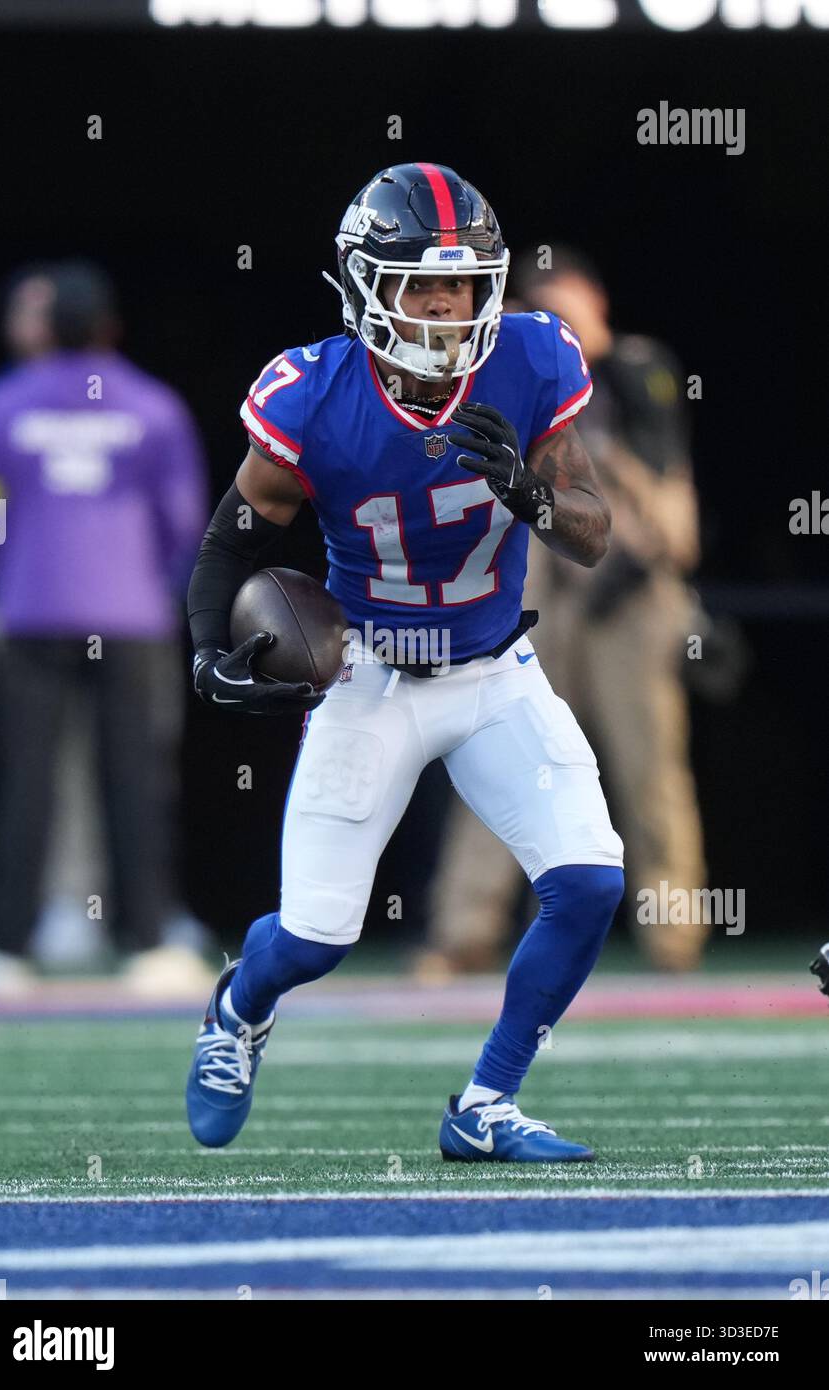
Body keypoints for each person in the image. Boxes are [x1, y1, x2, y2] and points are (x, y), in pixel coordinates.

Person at [185, 164, 624, 1163]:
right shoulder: (312, 393)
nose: (443, 305)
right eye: (420, 285)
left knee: (589, 881)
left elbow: (593, 536)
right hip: (369, 678)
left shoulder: (530, 361)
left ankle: (484, 1103)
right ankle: (238, 1003)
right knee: (313, 939)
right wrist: (210, 650)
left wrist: (532, 493)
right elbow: (229, 546)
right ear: (362, 286)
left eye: (461, 284)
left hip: (492, 668)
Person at [419, 248, 707, 974]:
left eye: (563, 304)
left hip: (632, 585)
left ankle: (672, 935)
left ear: (595, 299)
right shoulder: (522, 368)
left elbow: (664, 488)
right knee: (501, 755)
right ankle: (466, 933)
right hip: (546, 586)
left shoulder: (638, 365)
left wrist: (590, 348)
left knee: (648, 768)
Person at [0, 261, 210, 989]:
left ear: (44, 330)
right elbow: (183, 523)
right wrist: (162, 593)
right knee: (133, 781)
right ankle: (149, 942)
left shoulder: (0, 406)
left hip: (29, 613)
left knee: (25, 783)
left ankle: (7, 949)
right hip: (128, 616)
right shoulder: (154, 405)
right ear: (110, 327)